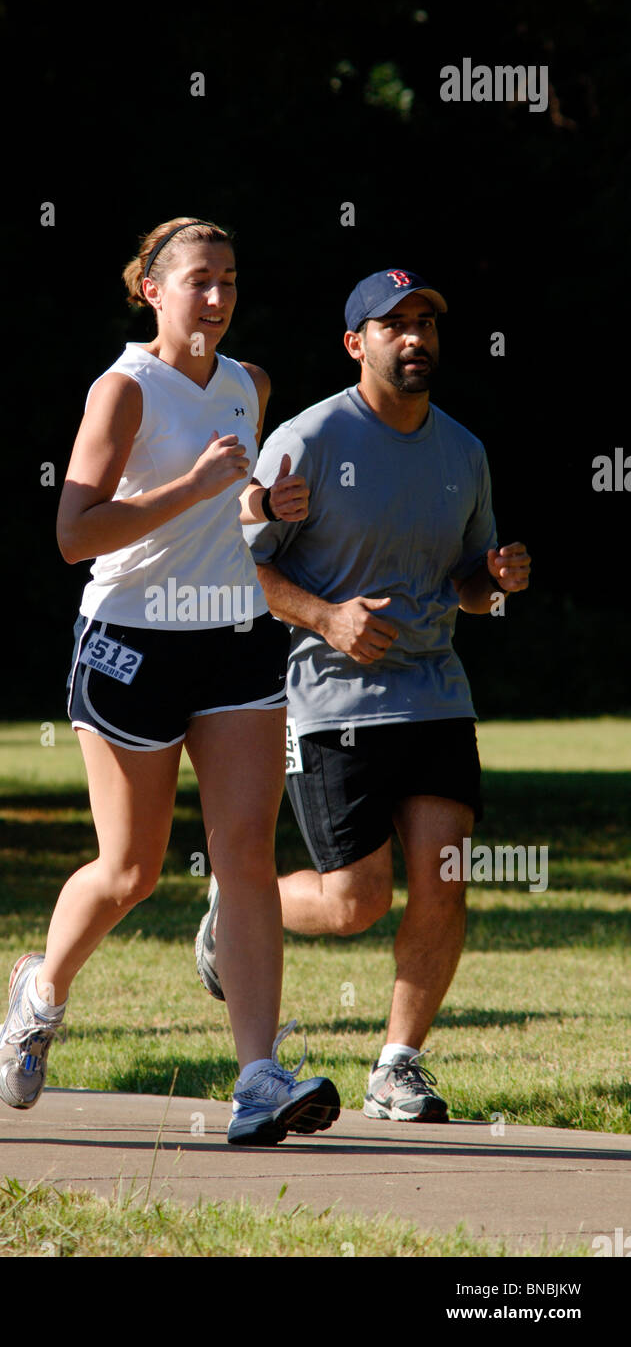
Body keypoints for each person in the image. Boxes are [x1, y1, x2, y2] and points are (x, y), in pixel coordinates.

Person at [0, 217, 341, 1146]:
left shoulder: (248, 386)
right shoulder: (123, 390)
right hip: (131, 647)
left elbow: (234, 512)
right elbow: (74, 535)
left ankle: (258, 1078)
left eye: (230, 279)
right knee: (132, 868)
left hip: (232, 640)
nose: (218, 298)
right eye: (199, 281)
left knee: (245, 859)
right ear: (153, 289)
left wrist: (264, 505)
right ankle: (41, 990)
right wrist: (190, 487)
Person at [195, 267, 531, 1122]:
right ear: (357, 344)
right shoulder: (306, 441)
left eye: (425, 322)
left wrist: (495, 582)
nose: (414, 338)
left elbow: (466, 584)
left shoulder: (463, 451)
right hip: (329, 699)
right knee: (355, 901)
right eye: (394, 325)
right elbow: (240, 564)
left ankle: (397, 1064)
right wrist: (326, 618)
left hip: (435, 694)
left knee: (444, 877)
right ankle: (235, 911)